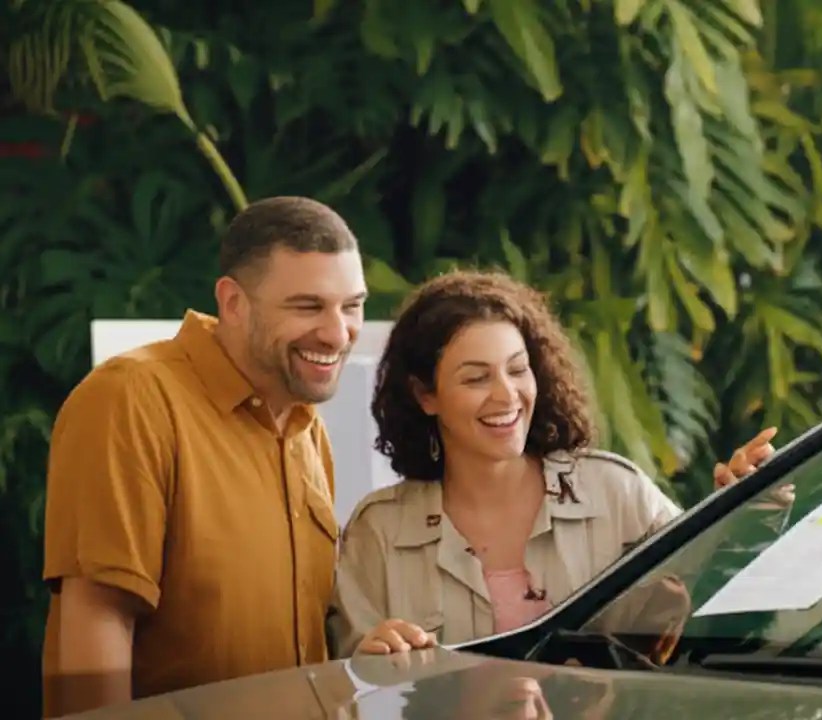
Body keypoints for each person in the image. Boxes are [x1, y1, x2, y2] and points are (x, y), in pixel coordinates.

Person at [326, 270, 778, 657]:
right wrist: (371, 663)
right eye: (477, 377)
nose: (507, 395)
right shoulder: (380, 532)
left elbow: (710, 614)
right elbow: (348, 685)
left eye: (518, 370)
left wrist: (743, 517)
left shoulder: (616, 493)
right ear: (426, 395)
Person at [40, 196, 368, 717]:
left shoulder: (307, 429)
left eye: (352, 305)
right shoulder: (131, 397)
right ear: (233, 302)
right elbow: (98, 622)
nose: (337, 332)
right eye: (307, 306)